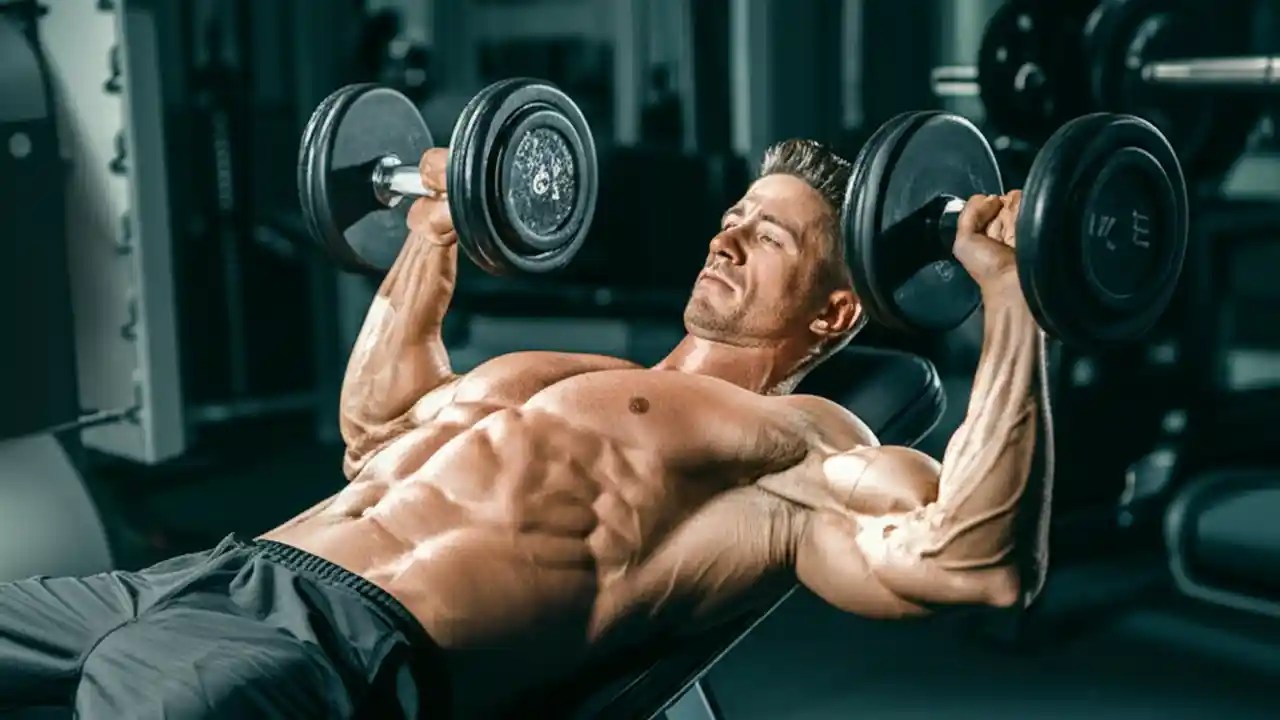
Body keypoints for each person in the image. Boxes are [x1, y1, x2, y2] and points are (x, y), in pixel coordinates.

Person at [0, 140, 1044, 719]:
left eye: (767, 236)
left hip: (319, 649)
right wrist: (434, 236)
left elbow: (968, 562)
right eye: (732, 214)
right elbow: (374, 430)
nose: (727, 234)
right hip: (209, 575)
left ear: (830, 315)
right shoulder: (555, 371)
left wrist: (1011, 303)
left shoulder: (794, 444)